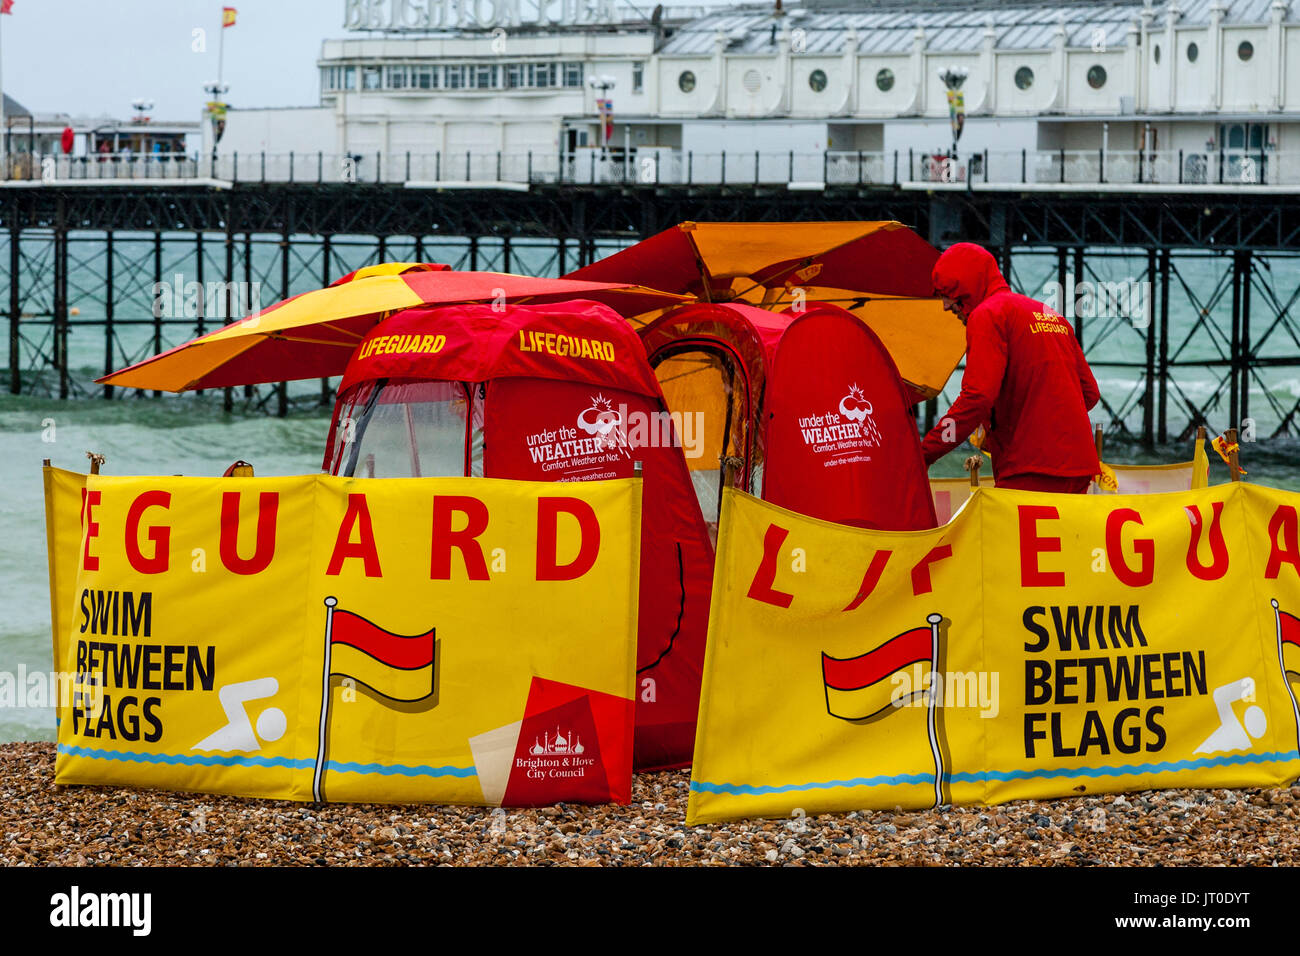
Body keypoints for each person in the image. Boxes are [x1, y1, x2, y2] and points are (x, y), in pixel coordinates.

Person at [919, 242, 1100, 493]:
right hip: (1080, 467)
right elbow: (1090, 394)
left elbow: (976, 398)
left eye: (947, 292)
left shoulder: (988, 315)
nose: (946, 306)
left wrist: (926, 452)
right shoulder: (1050, 315)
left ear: (967, 284)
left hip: (1029, 470)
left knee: (1007, 533)